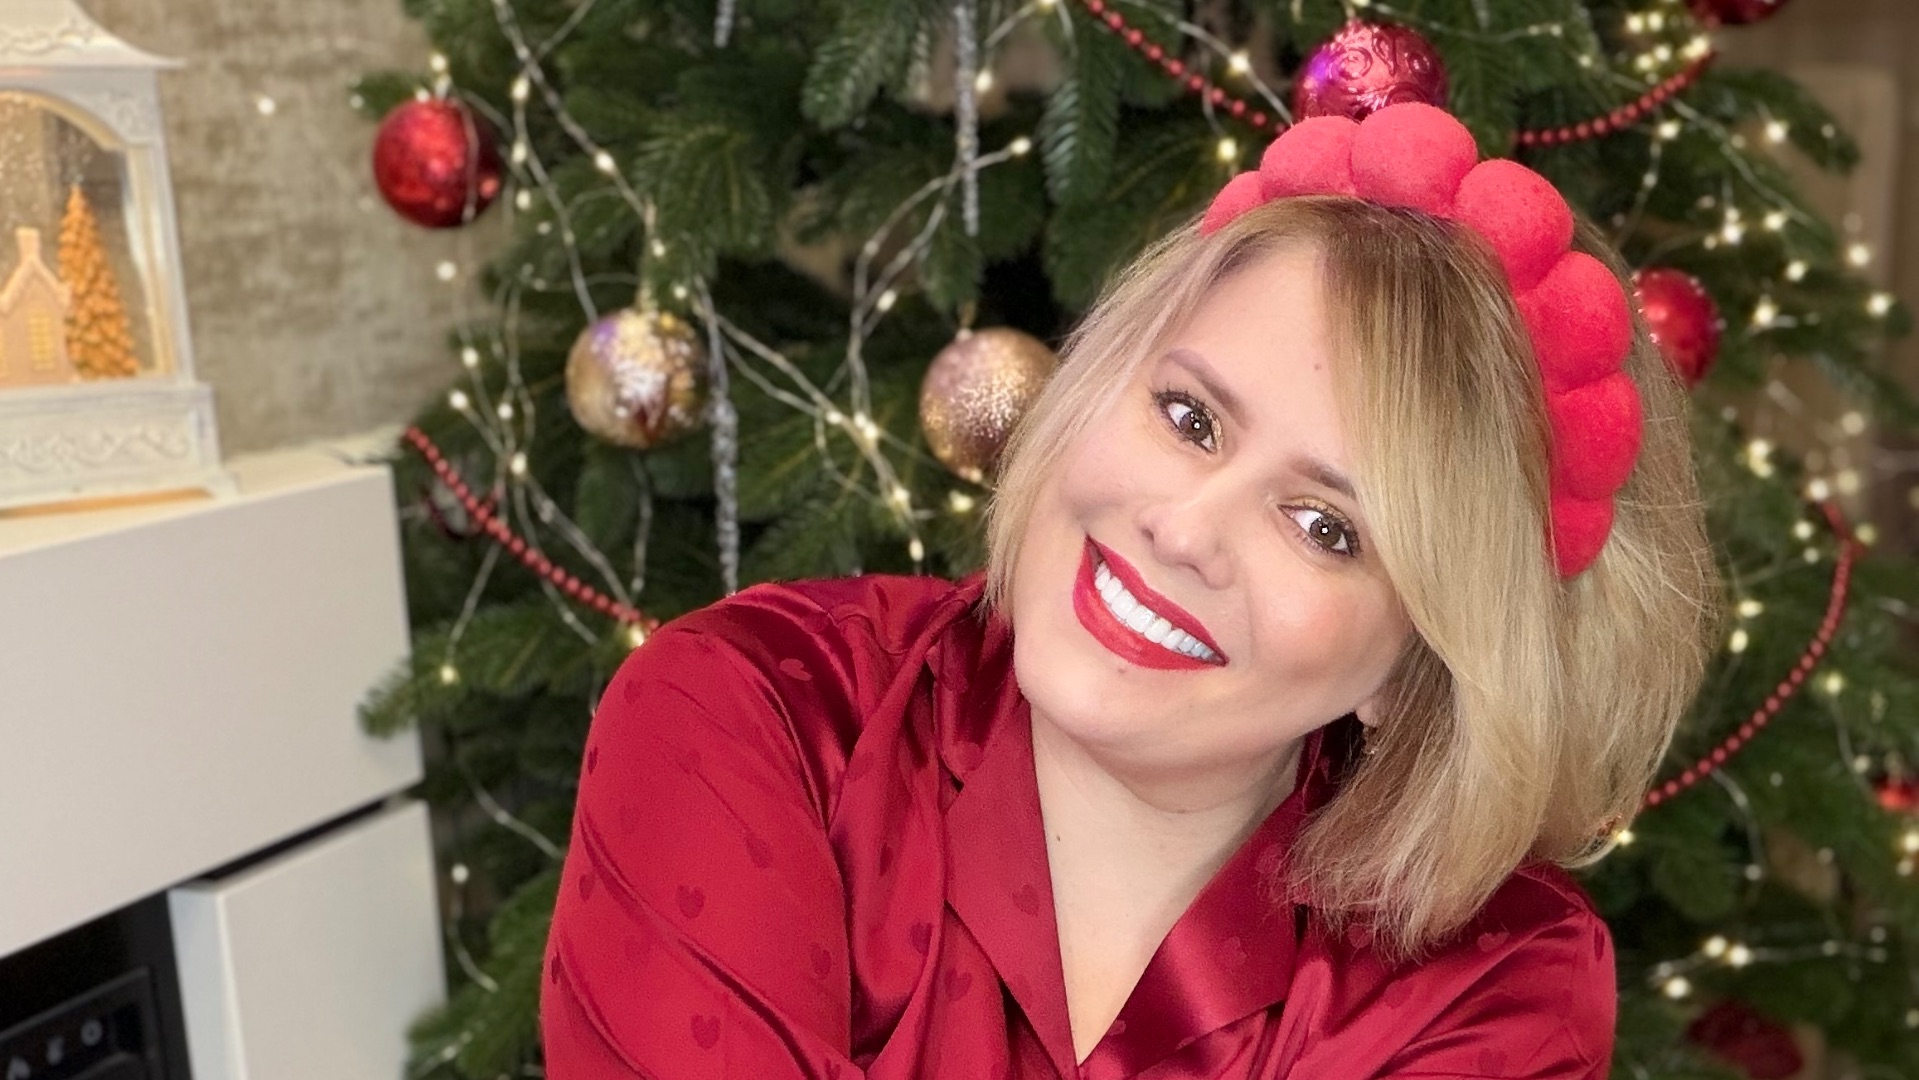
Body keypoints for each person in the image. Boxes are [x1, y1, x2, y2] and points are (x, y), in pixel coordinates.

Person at [539, 103, 1720, 1079]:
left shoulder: (1493, 985)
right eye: (1188, 417)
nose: (1182, 529)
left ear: (1419, 661)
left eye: (1323, 527)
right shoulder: (755, 713)